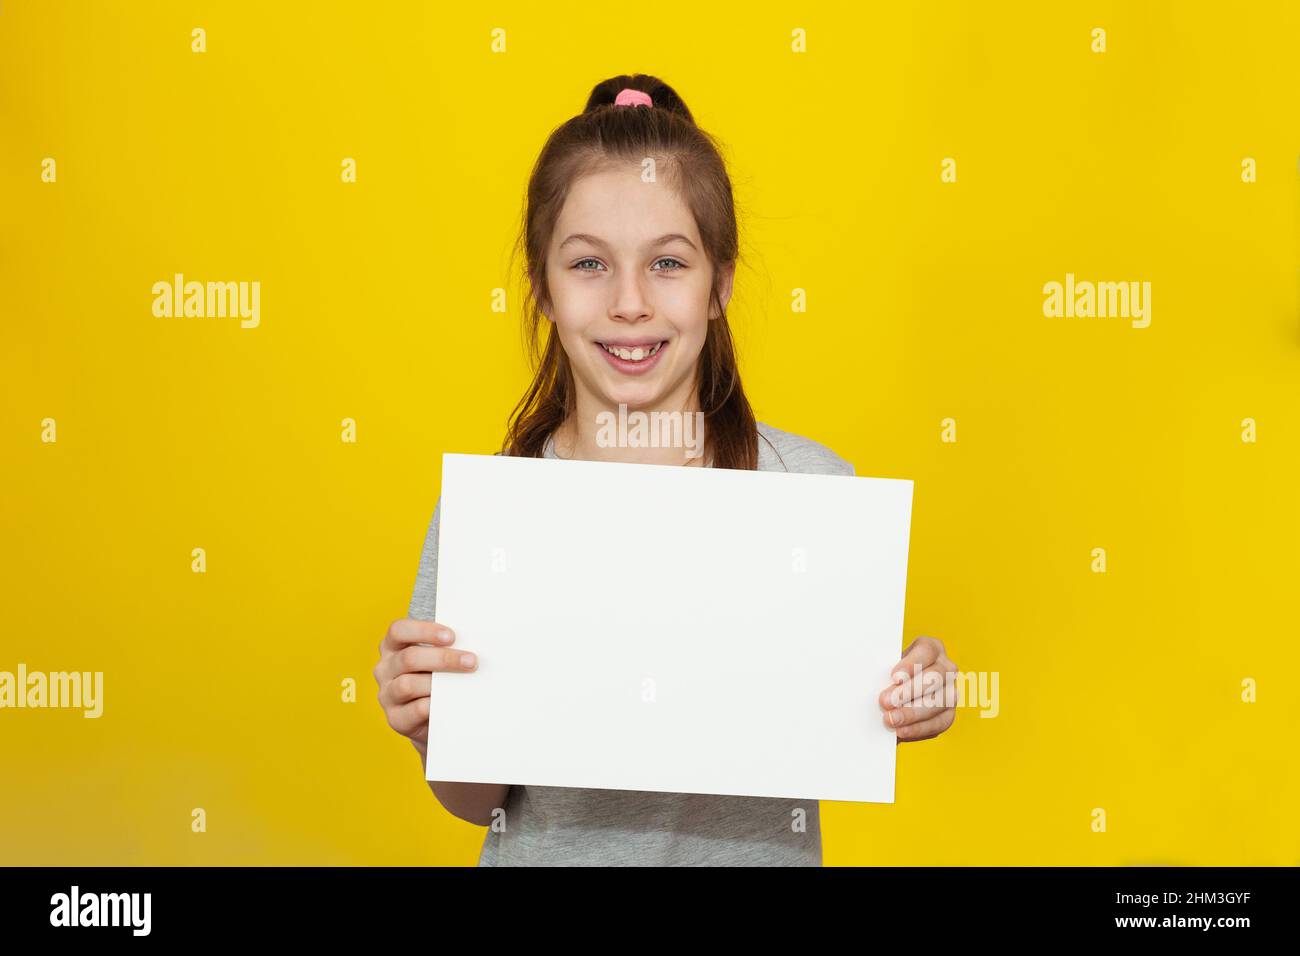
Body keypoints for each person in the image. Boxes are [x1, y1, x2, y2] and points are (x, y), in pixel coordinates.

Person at [375, 74, 957, 865]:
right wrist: (432, 727)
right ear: (543, 290)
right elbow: (481, 804)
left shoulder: (812, 492)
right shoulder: (497, 516)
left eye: (668, 265)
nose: (629, 303)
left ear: (719, 284)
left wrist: (912, 693)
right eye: (587, 265)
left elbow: (847, 709)